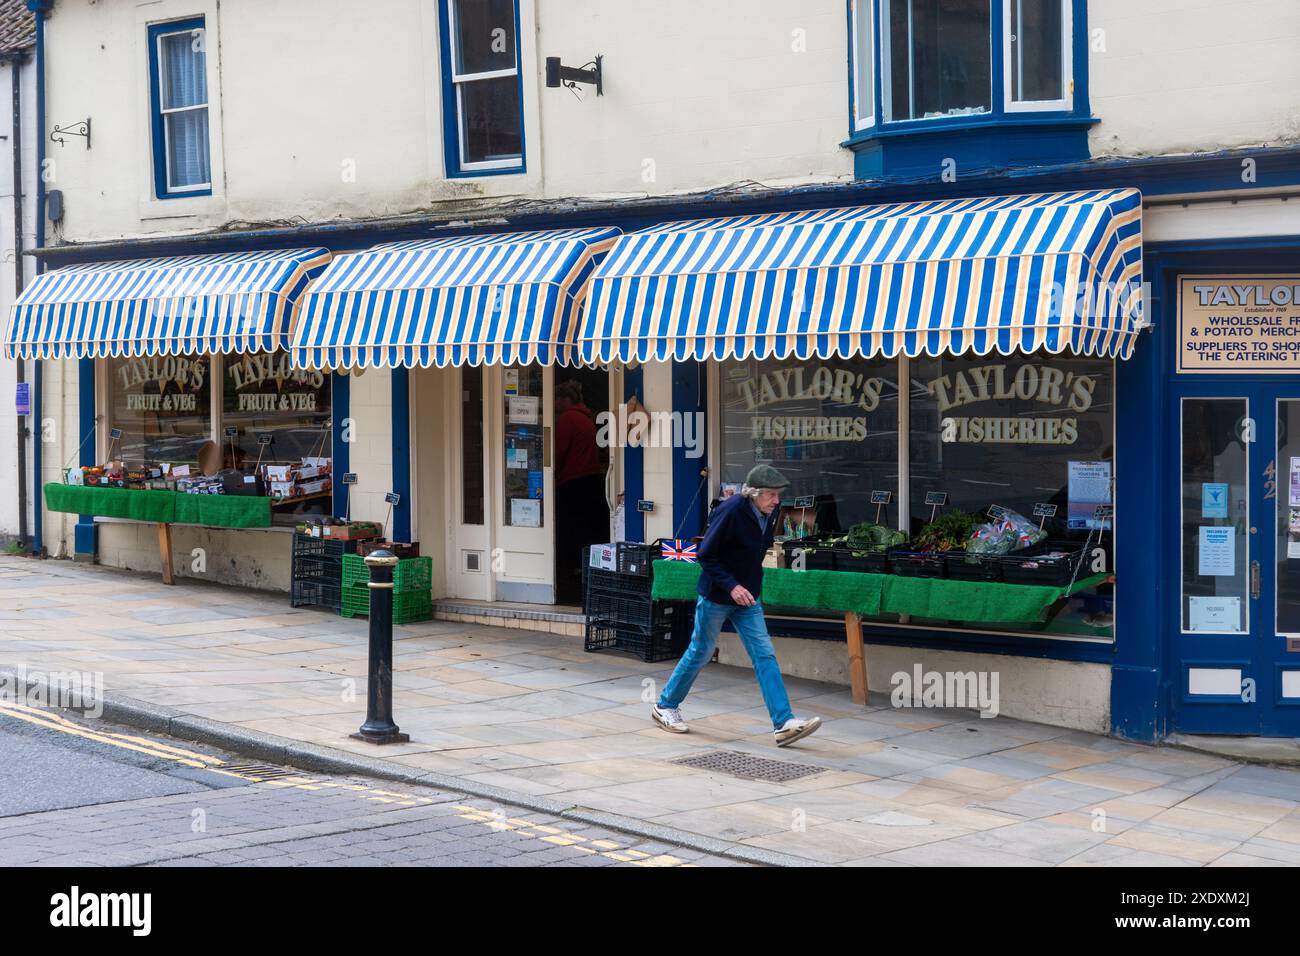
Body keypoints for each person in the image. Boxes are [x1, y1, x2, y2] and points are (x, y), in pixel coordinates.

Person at [651, 464, 823, 747]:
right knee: (700, 652)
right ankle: (665, 705)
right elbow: (705, 555)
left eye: (778, 495)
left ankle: (784, 723)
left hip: (748, 598)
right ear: (753, 493)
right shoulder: (730, 511)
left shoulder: (769, 512)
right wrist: (733, 585)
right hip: (718, 596)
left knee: (765, 655)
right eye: (771, 495)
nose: (777, 500)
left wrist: (747, 587)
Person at [554, 379, 608, 602]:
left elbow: (557, 452)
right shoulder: (585, 417)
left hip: (573, 482)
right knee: (587, 529)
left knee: (570, 530)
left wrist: (550, 471)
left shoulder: (568, 419)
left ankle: (574, 570)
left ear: (565, 399)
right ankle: (585, 568)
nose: (555, 403)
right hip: (591, 479)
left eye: (557, 399)